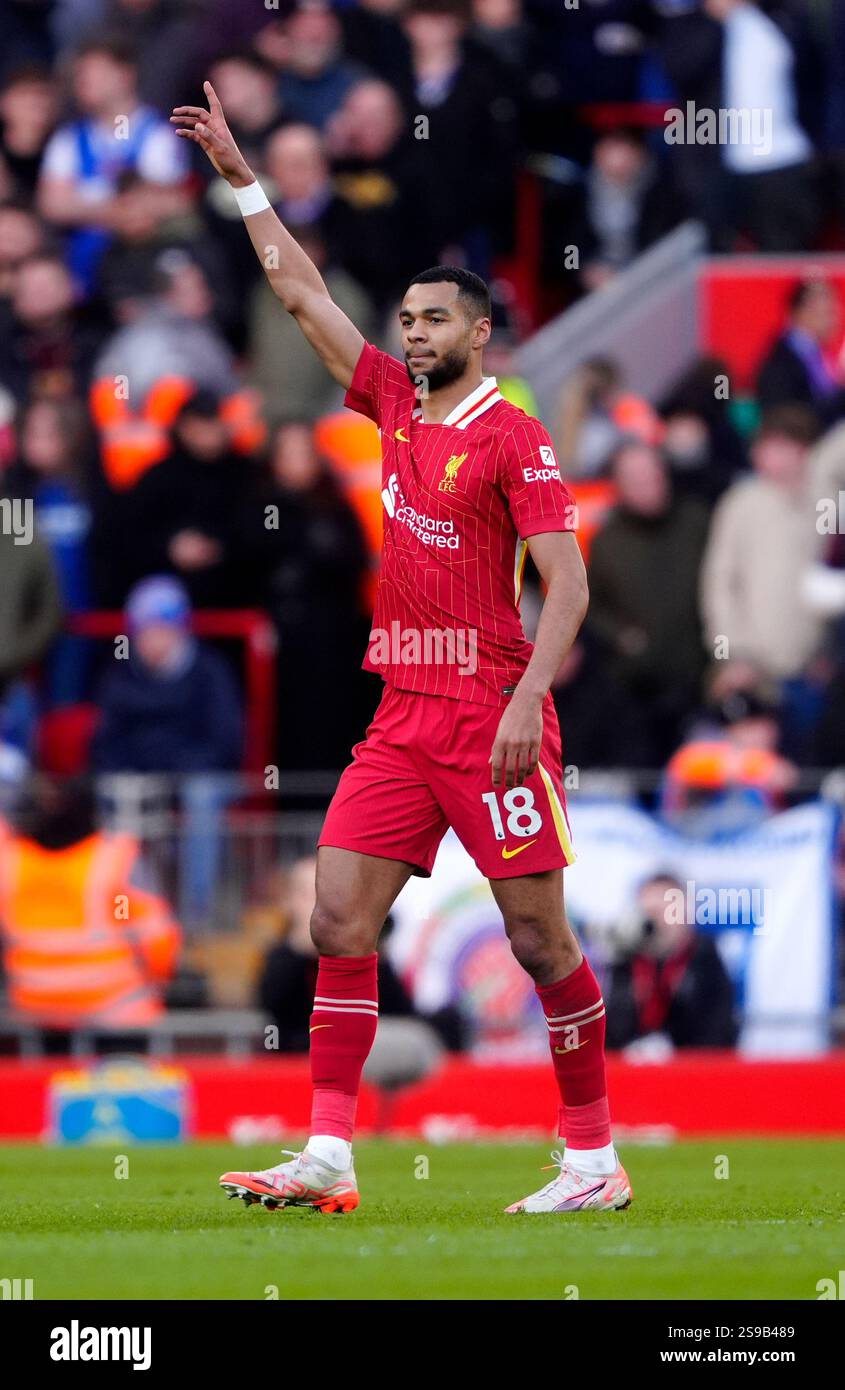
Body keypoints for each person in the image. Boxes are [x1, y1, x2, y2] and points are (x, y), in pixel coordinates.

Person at [172, 78, 632, 1216]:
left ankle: (591, 1159)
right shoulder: (392, 405)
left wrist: (527, 696)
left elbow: (568, 583)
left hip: (491, 710)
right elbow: (298, 293)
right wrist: (245, 183)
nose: (413, 333)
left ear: (478, 334)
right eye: (408, 319)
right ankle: (328, 1155)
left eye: (434, 320)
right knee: (336, 917)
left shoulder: (514, 436)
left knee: (538, 940)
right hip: (400, 713)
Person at [0, 775, 181, 1041]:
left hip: (33, 1008)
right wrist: (158, 982)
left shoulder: (11, 862)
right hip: (115, 1009)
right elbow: (150, 934)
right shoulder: (113, 859)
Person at [604, 873, 738, 1052]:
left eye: (665, 912)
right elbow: (610, 1035)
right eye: (650, 914)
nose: (657, 924)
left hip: (692, 1064)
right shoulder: (626, 962)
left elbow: (717, 1034)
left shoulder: (705, 960)